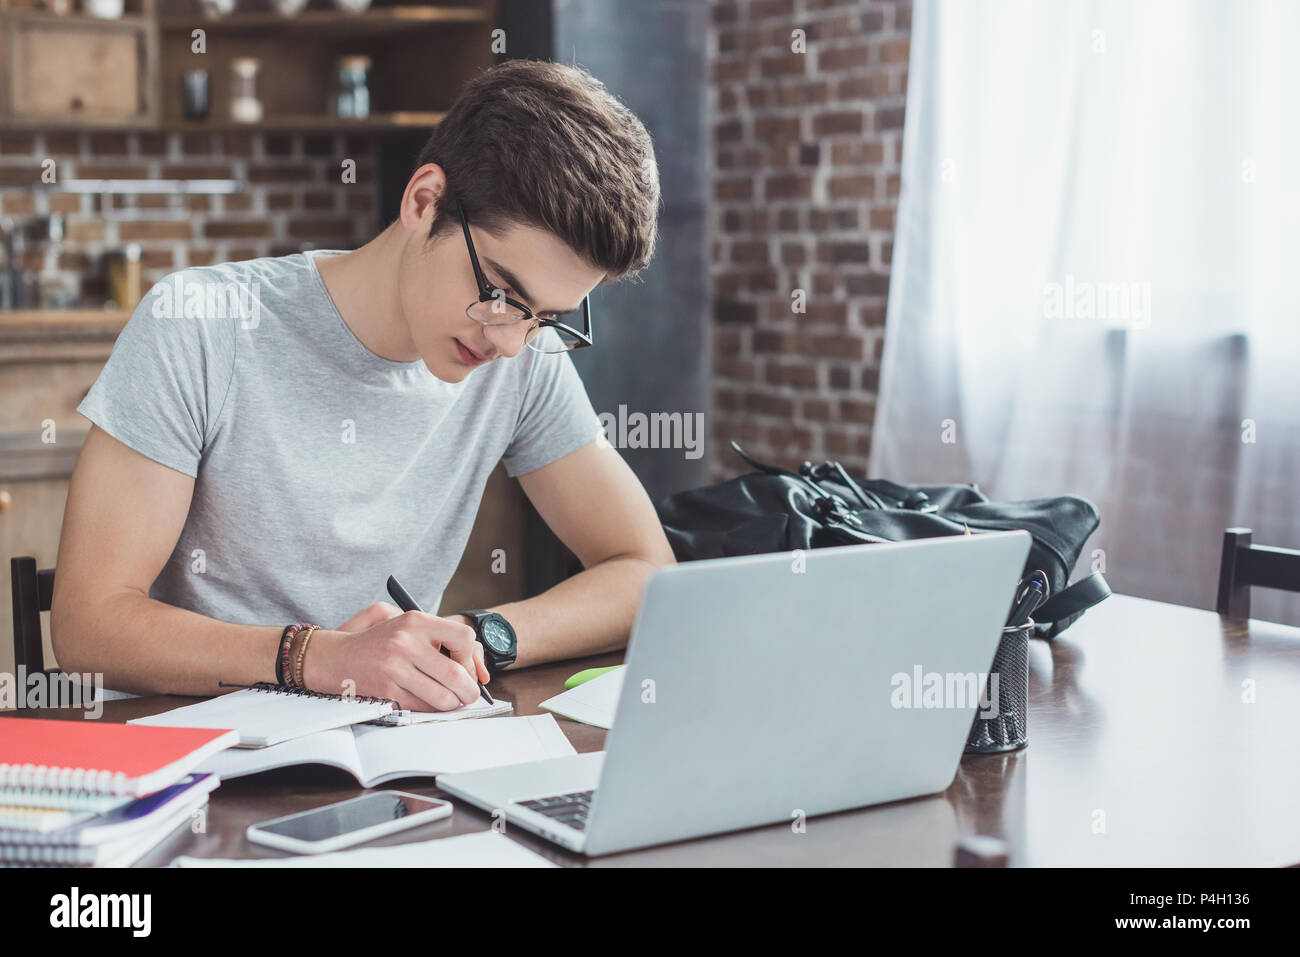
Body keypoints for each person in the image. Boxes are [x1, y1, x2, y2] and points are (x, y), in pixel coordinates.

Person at [51, 60, 675, 712]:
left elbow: (644, 568)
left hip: (387, 769)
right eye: (499, 293)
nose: (510, 342)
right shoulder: (202, 325)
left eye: (545, 317)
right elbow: (88, 624)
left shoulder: (523, 354)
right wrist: (319, 657)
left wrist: (477, 635)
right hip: (190, 769)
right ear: (423, 200)